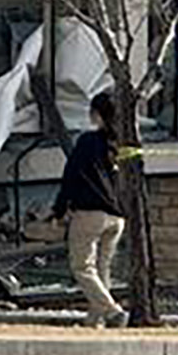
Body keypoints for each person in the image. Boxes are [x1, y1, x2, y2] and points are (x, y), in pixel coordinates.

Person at [53, 91, 129, 328]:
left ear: (97, 114)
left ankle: (113, 311)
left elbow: (71, 175)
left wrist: (59, 209)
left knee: (82, 267)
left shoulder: (88, 141)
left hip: (90, 212)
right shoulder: (119, 144)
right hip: (116, 215)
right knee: (101, 268)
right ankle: (95, 319)